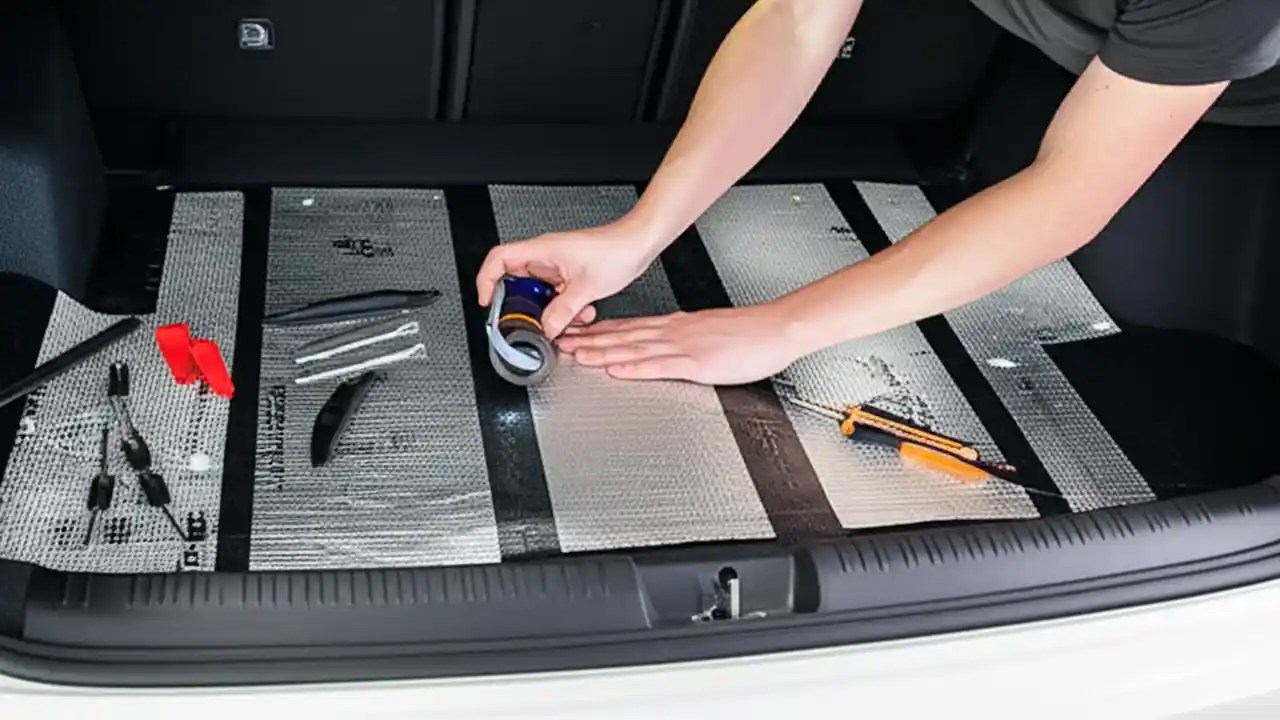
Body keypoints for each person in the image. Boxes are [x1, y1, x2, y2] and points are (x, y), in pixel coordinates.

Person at [477, 0, 1280, 385]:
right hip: (1096, 45)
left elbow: (1068, 194)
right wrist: (638, 233)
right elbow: (798, 20)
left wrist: (780, 329)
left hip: (1237, 102)